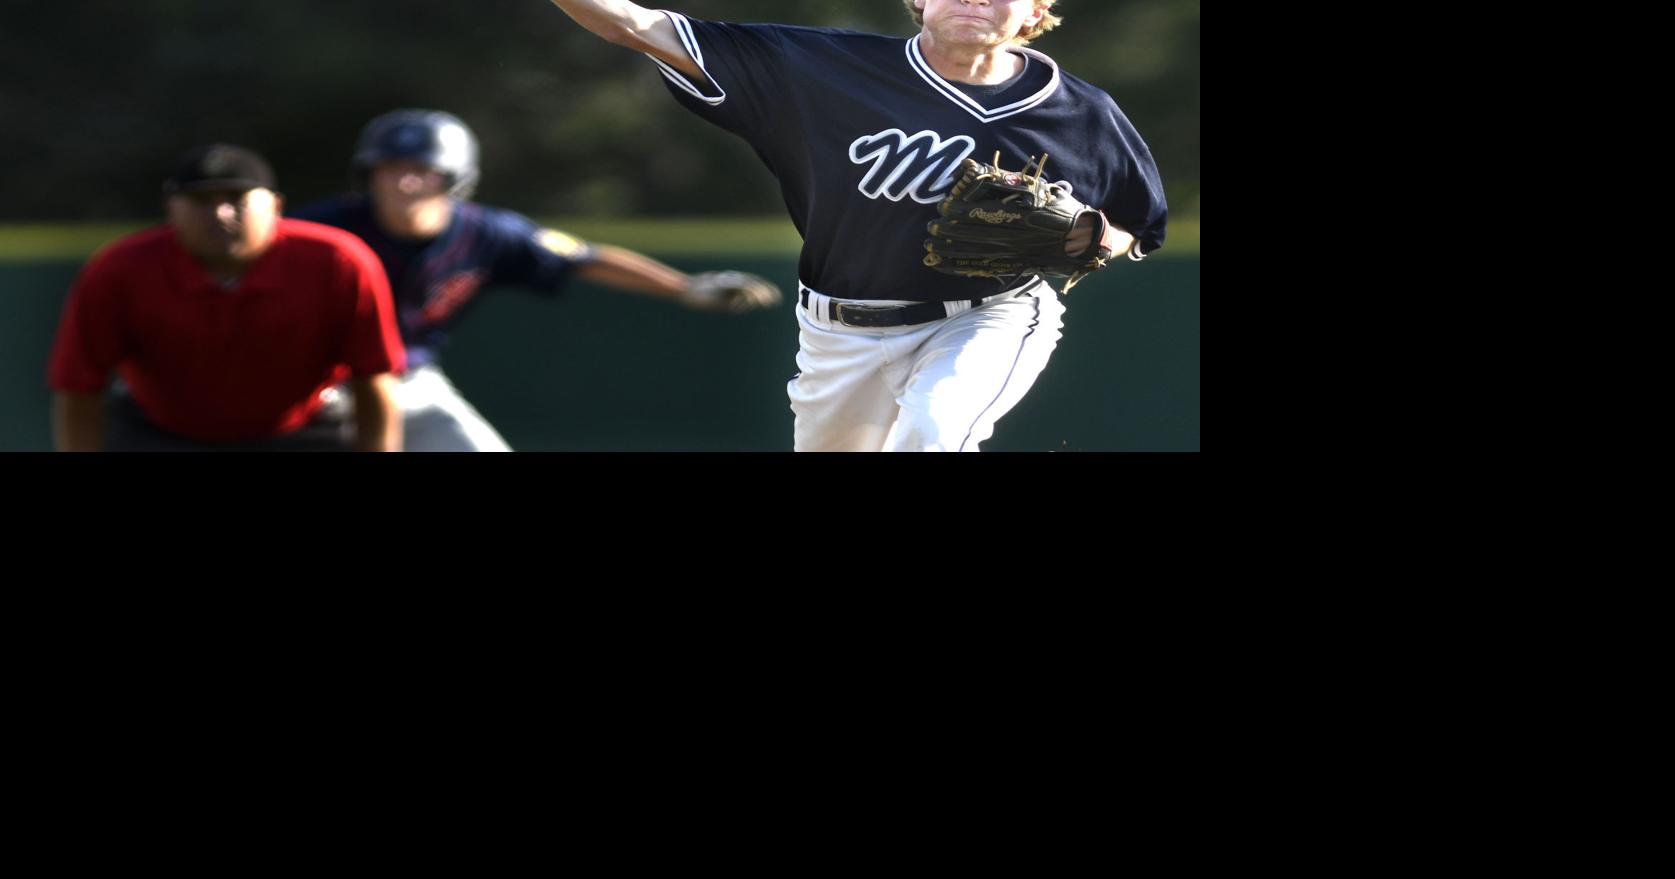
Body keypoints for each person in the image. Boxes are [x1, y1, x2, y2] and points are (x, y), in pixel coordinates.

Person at [545, 0, 1168, 451]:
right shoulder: (819, 67)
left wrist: (1098, 238)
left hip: (987, 315)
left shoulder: (1084, 114)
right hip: (839, 330)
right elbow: (633, 25)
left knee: (934, 431)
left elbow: (1139, 224)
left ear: (1036, 10)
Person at [290, 109, 782, 452]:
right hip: (315, 386)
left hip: (411, 384)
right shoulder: (323, 228)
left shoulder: (487, 233)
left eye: (422, 170)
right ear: (368, 174)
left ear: (455, 177)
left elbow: (585, 258)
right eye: (390, 169)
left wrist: (683, 287)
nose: (405, 183)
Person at [47, 143, 407, 452]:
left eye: (236, 198)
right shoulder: (120, 269)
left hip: (301, 432)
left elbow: (374, 377)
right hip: (161, 434)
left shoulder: (338, 262)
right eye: (200, 201)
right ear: (171, 208)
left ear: (276, 205)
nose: (220, 214)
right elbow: (78, 387)